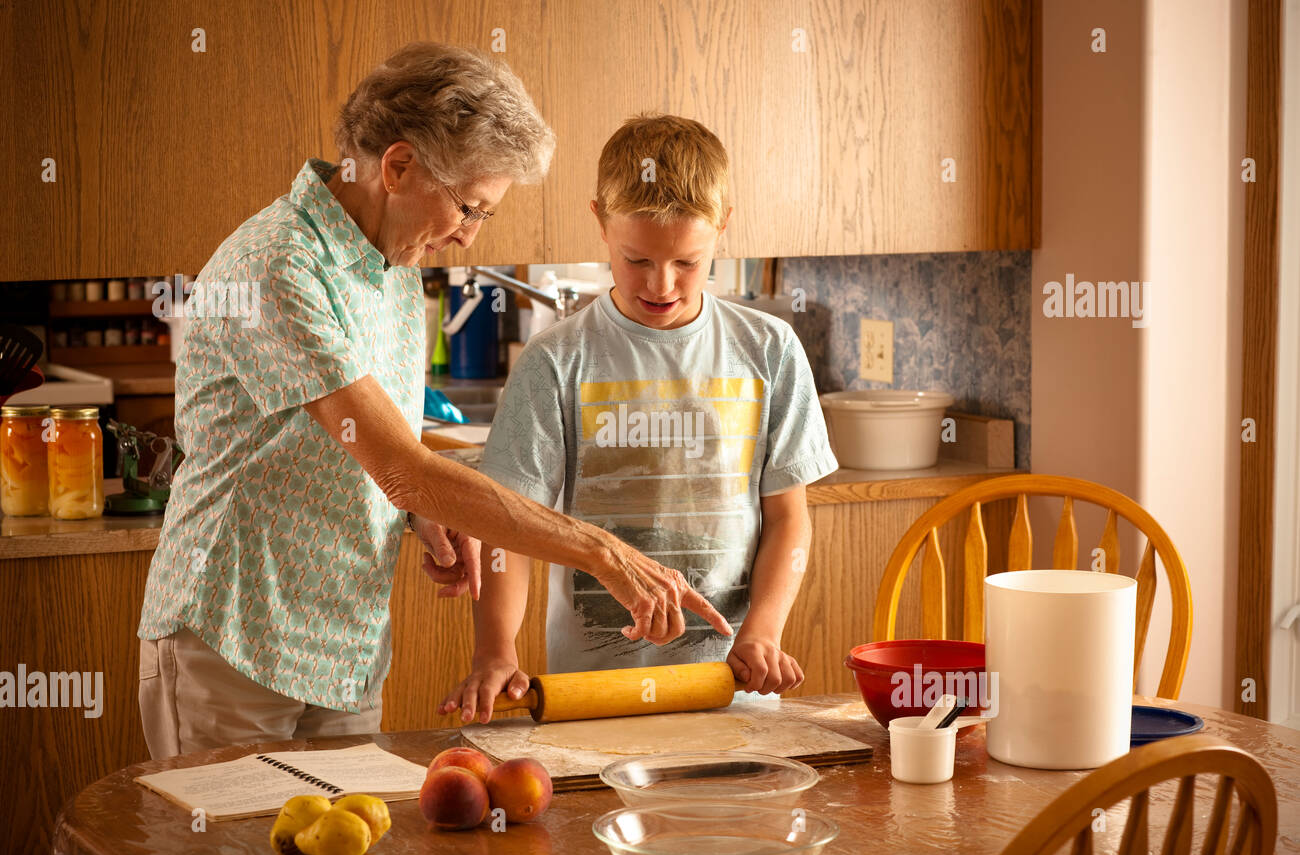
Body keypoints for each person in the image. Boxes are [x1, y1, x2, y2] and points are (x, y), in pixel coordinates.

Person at [136, 49, 730, 759]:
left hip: (342, 641)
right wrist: (600, 552)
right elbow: (400, 464)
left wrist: (421, 514)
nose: (470, 234)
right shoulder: (276, 264)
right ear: (398, 168)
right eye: (470, 206)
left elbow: (375, 447)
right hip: (234, 635)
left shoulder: (390, 266)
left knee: (348, 845)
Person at [442, 113, 838, 724]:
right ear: (600, 220)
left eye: (687, 262)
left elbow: (789, 520)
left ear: (723, 225)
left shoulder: (770, 350)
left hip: (728, 683)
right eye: (637, 260)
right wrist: (496, 650)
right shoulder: (557, 361)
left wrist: (762, 631)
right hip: (594, 690)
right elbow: (506, 526)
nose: (661, 284)